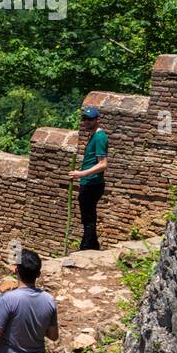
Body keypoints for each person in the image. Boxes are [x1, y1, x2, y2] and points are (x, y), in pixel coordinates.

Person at [69, 105, 109, 251]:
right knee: (88, 215)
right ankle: (93, 245)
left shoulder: (99, 136)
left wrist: (81, 173)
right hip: (89, 182)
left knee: (88, 217)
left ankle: (86, 247)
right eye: (84, 119)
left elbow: (103, 164)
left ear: (97, 119)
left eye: (90, 119)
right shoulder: (94, 135)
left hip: (93, 183)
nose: (86, 122)